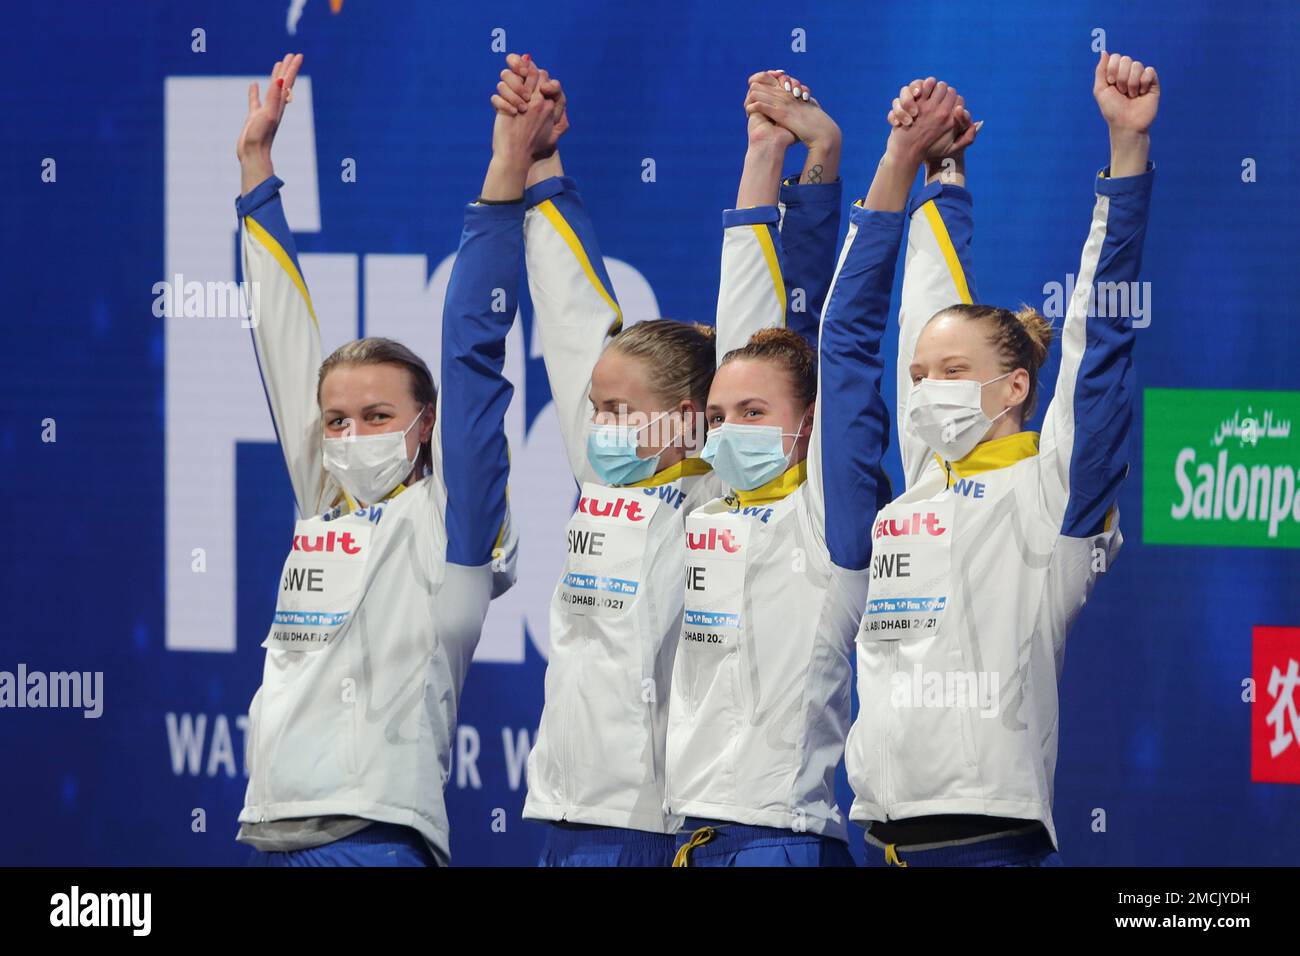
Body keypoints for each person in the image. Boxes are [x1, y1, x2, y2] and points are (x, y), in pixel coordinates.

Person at [490, 57, 842, 865]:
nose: (600, 424)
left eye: (620, 411)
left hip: (659, 819)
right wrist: (541, 157)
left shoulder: (716, 489)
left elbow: (767, 324)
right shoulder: (600, 472)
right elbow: (569, 308)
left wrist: (766, 159)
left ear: (690, 420)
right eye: (597, 410)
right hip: (563, 814)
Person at [232, 53, 550, 865]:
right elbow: (281, 338)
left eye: (378, 415)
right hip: (275, 831)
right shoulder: (324, 507)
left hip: (379, 838)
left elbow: (474, 354)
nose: (351, 435)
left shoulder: (454, 528)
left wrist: (506, 167)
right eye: (337, 419)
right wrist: (256, 167)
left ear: (428, 426)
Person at [844, 51, 1159, 867]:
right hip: (879, 839)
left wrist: (1126, 157)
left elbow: (1099, 344)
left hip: (989, 843)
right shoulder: (918, 486)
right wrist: (943, 171)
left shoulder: (1050, 492)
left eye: (953, 375)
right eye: (917, 377)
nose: (926, 392)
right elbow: (927, 299)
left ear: (1016, 386)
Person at [665, 75, 971, 867]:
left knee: (798, 354)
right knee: (757, 352)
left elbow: (842, 342)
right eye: (718, 415)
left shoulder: (828, 524)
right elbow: (756, 331)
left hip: (782, 842)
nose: (728, 432)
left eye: (755, 418)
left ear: (810, 431)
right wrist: (779, 155)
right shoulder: (710, 508)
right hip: (690, 840)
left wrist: (903, 161)